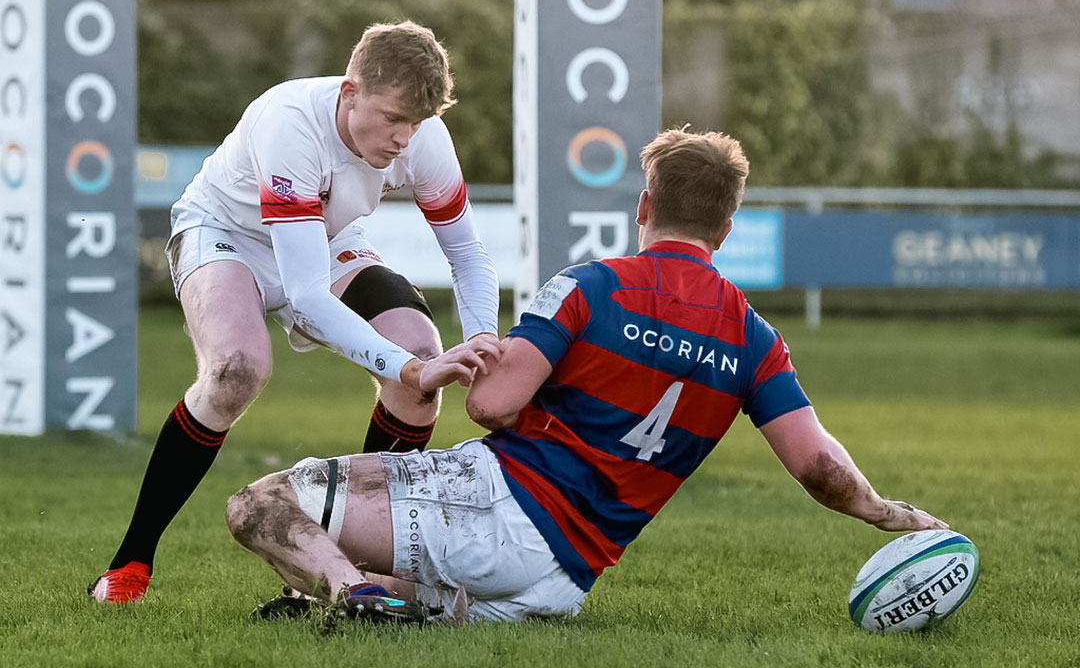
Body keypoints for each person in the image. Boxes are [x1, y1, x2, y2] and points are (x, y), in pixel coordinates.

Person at [224, 126, 947, 625]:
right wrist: (887, 512)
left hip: (500, 510)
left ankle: (350, 597)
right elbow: (818, 466)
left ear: (645, 207)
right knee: (319, 560)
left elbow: (489, 405)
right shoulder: (755, 340)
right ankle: (397, 607)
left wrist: (501, 369)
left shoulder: (591, 286)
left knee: (263, 507)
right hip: (566, 579)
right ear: (725, 230)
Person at [89, 21, 502, 605]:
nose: (404, 138)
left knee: (421, 353)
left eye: (416, 122)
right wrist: (406, 370)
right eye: (392, 119)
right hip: (224, 232)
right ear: (350, 90)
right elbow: (307, 297)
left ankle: (351, 573)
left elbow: (466, 253)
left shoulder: (424, 136)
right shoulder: (291, 122)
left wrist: (481, 340)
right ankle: (130, 563)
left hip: (322, 236)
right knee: (236, 369)